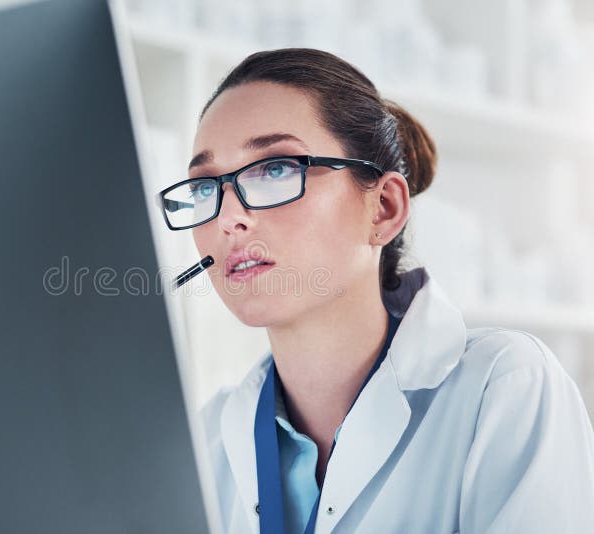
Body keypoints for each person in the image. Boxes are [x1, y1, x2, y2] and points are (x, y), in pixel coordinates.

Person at [155, 48, 594, 533]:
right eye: (203, 188)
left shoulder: (505, 390)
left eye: (276, 169)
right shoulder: (208, 440)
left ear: (383, 207)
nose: (229, 217)